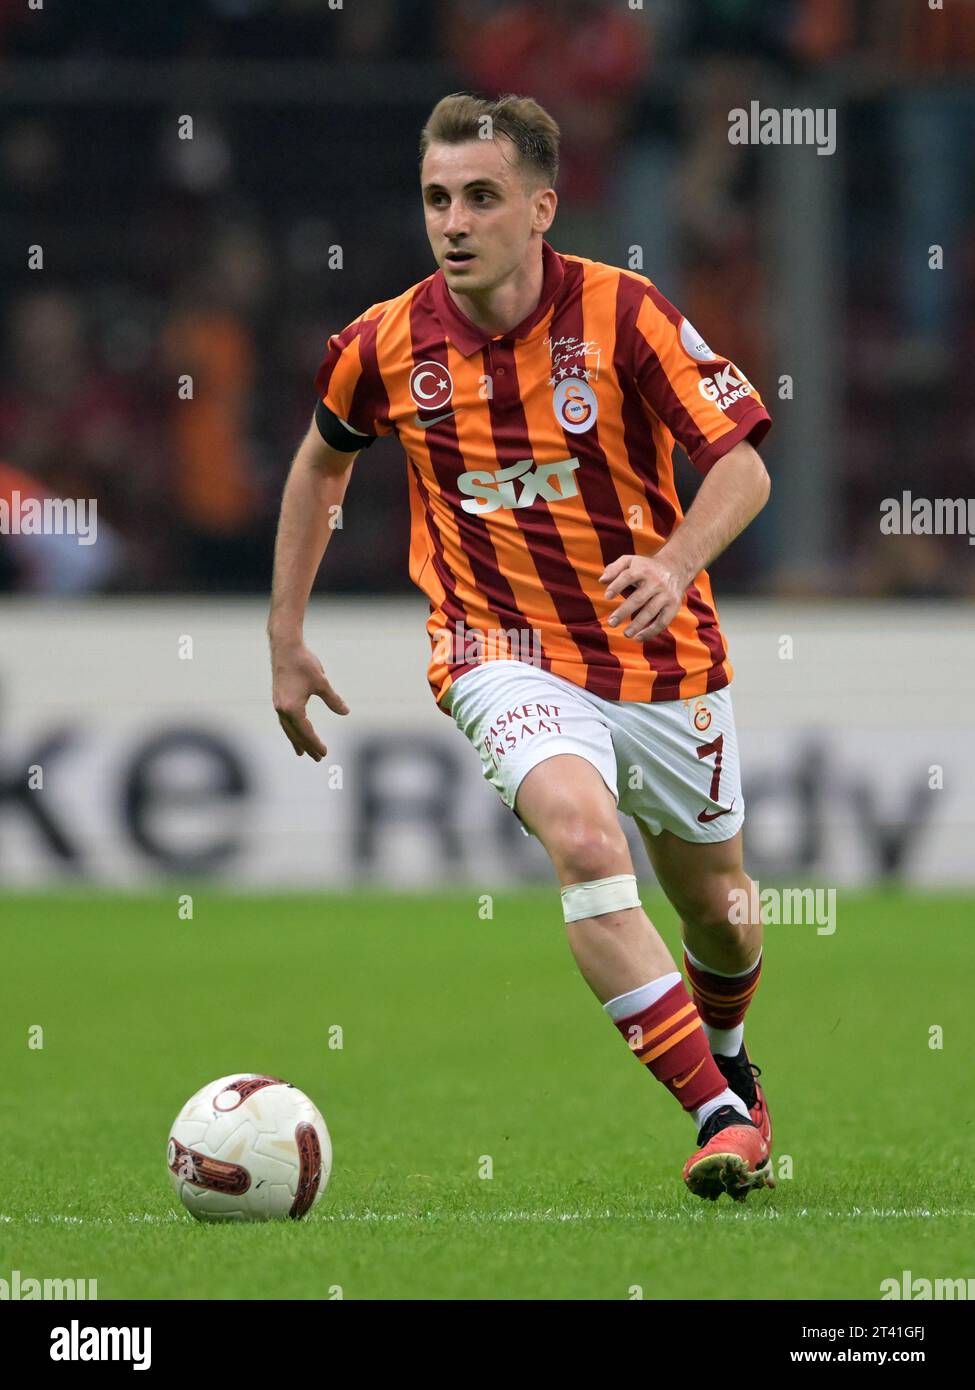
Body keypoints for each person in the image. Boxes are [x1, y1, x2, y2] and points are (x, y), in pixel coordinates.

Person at [268, 92, 774, 1201]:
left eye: (482, 198)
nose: (454, 221)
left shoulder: (627, 315)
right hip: (494, 649)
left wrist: (676, 562)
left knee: (724, 914)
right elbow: (321, 464)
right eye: (439, 198)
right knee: (588, 845)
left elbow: (743, 467)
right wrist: (286, 633)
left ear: (541, 208)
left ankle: (731, 1058)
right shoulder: (383, 344)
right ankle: (719, 1111)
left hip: (658, 655)